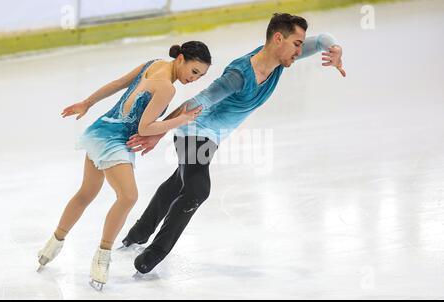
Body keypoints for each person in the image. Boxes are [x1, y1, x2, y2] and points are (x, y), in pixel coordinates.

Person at [122, 13, 347, 276]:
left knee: (179, 182)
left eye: (300, 44)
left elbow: (322, 41)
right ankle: (152, 255)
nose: (300, 50)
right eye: (297, 43)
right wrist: (158, 131)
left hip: (212, 136)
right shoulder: (239, 75)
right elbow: (199, 101)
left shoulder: (279, 58)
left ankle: (138, 233)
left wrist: (336, 49)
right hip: (193, 130)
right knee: (197, 190)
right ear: (278, 39)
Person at [37, 41, 211, 290]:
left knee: (86, 193)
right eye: (194, 71)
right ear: (181, 59)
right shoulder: (166, 88)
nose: (195, 79)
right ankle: (102, 255)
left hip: (101, 128)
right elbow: (144, 128)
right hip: (113, 140)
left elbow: (118, 83)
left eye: (200, 76)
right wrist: (181, 119)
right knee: (128, 196)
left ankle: (53, 243)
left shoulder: (154, 64)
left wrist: (88, 102)